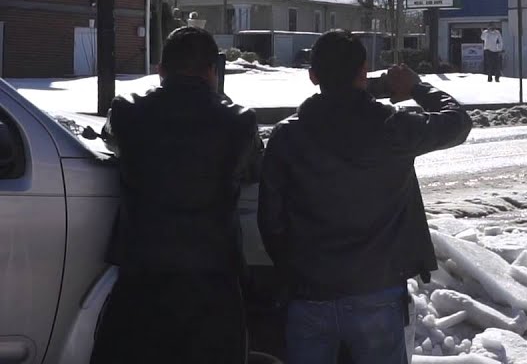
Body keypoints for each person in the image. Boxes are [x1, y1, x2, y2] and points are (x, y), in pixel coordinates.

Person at [257, 30, 472, 364]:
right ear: (364, 71)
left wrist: (293, 271)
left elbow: (271, 220)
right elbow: (458, 122)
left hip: (309, 292)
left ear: (312, 75)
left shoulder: (287, 135)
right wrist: (415, 87)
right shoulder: (392, 127)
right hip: (378, 290)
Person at [92, 27, 262, 364]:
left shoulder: (128, 111)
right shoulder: (239, 122)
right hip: (212, 279)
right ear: (213, 72)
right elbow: (253, 169)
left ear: (161, 70)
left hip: (143, 276)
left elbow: (109, 138)